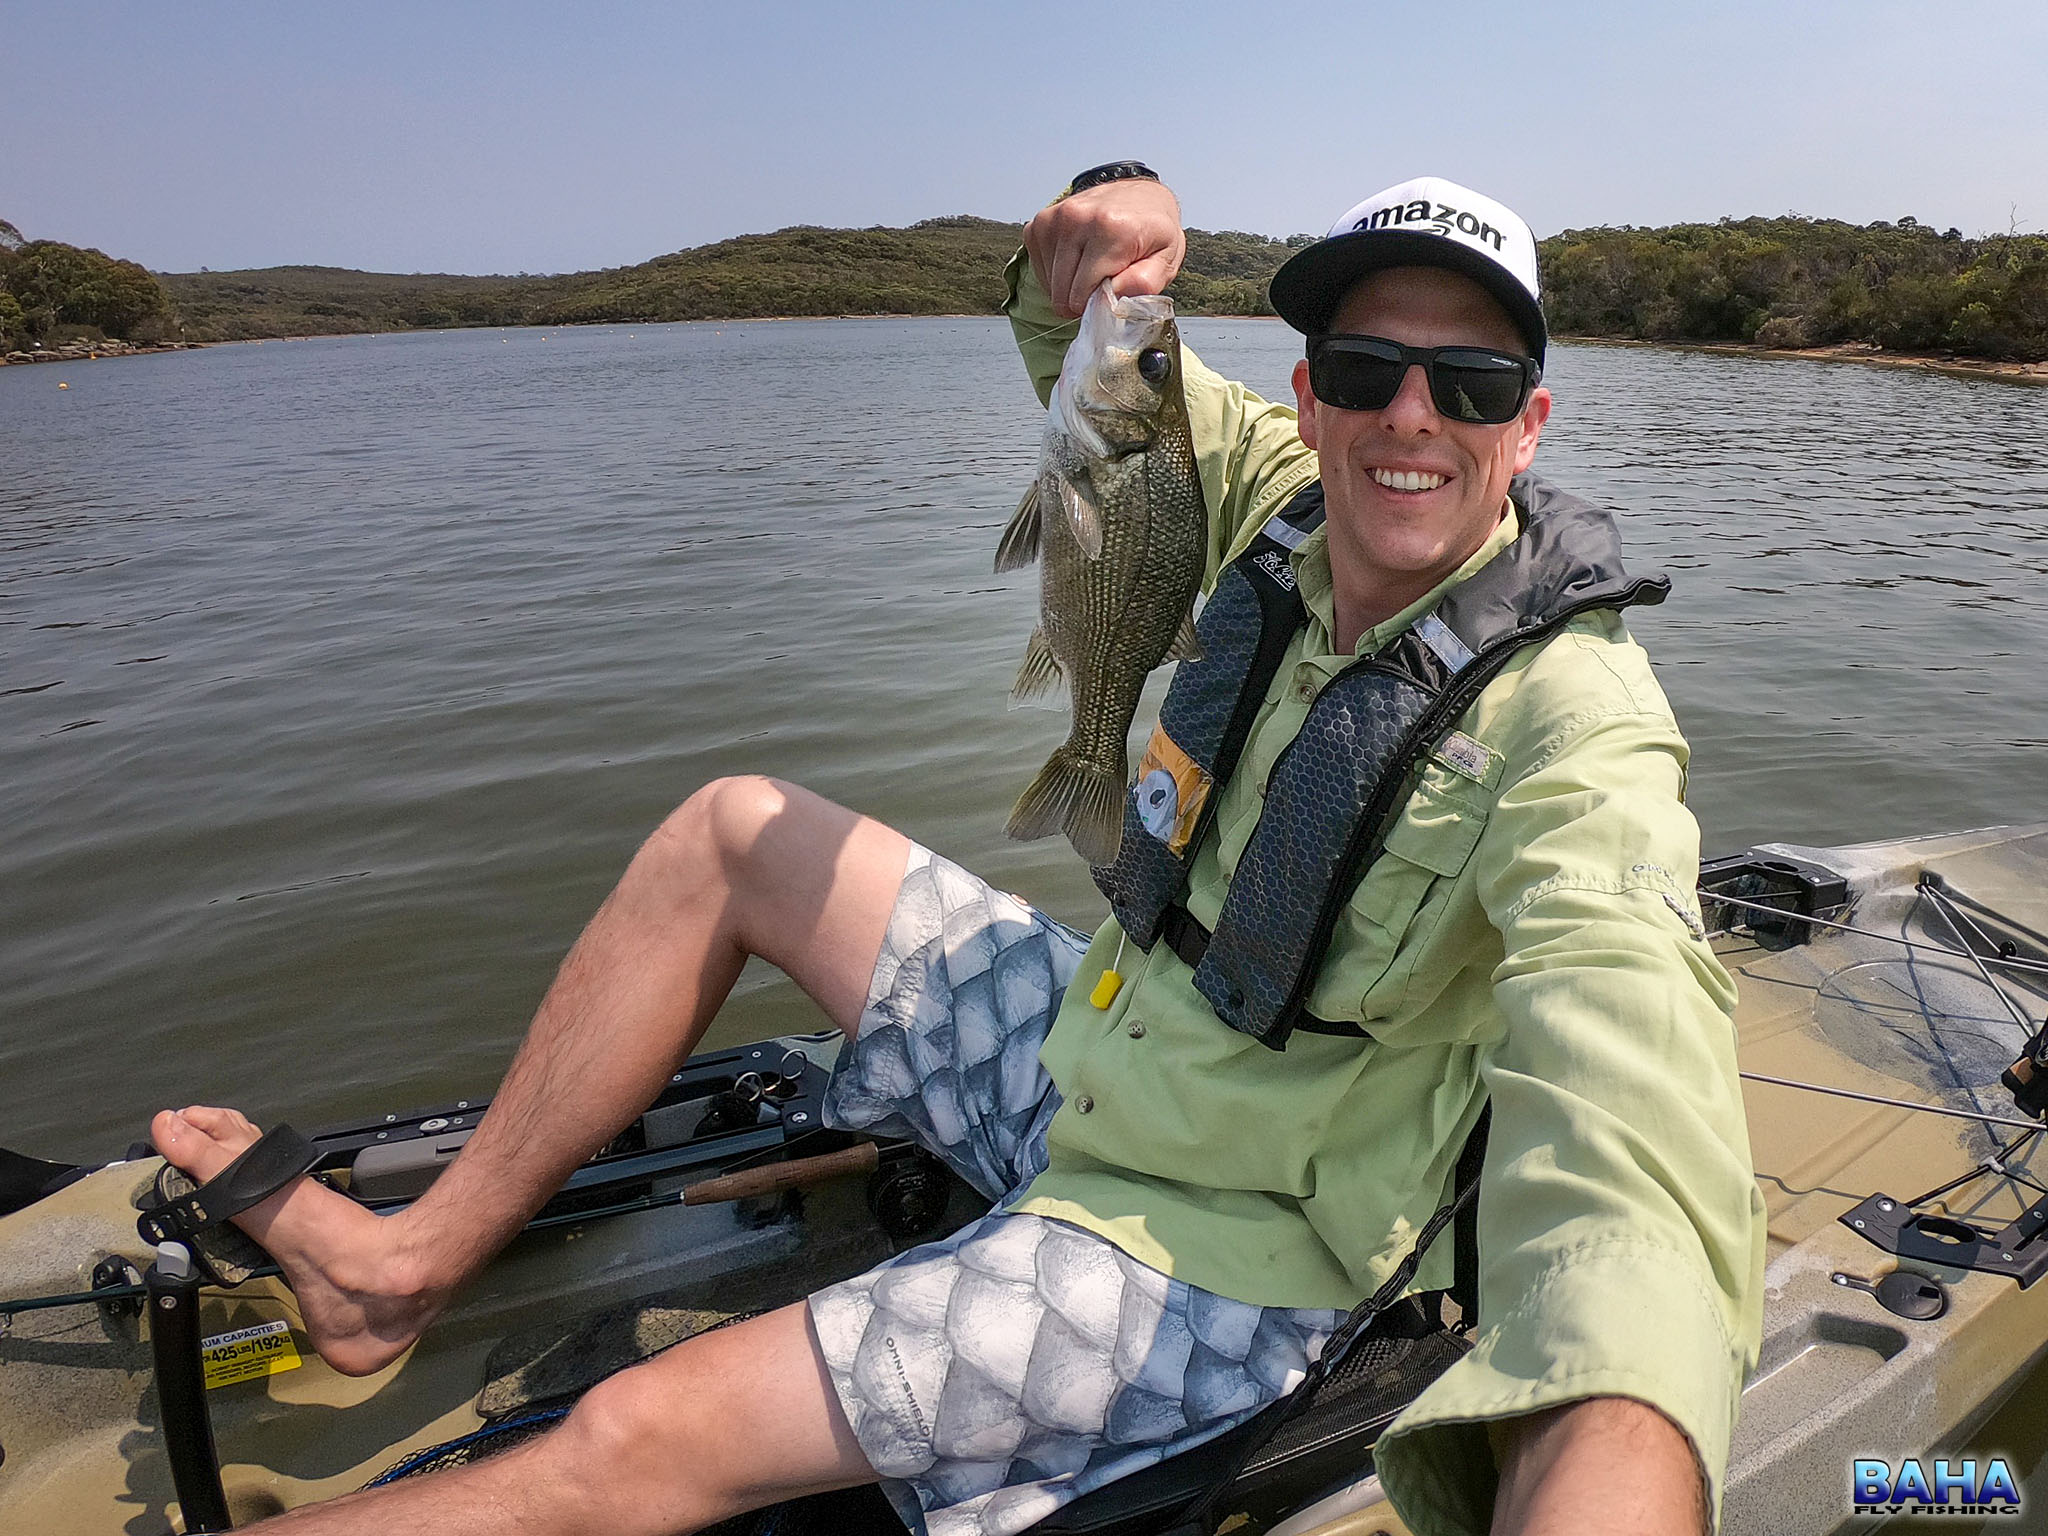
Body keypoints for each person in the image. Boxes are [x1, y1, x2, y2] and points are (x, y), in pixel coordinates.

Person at [150, 167, 1762, 1536]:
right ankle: (400, 1271)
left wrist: (1616, 1431)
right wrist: (1106, 227)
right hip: (1102, 1055)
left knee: (633, 1435)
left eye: (1468, 384)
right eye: (1366, 368)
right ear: (1308, 397)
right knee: (733, 833)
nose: (1411, 415)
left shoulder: (1579, 727)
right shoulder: (1277, 501)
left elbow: (1636, 1110)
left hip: (1235, 1249)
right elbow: (1095, 357)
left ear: (1529, 426)